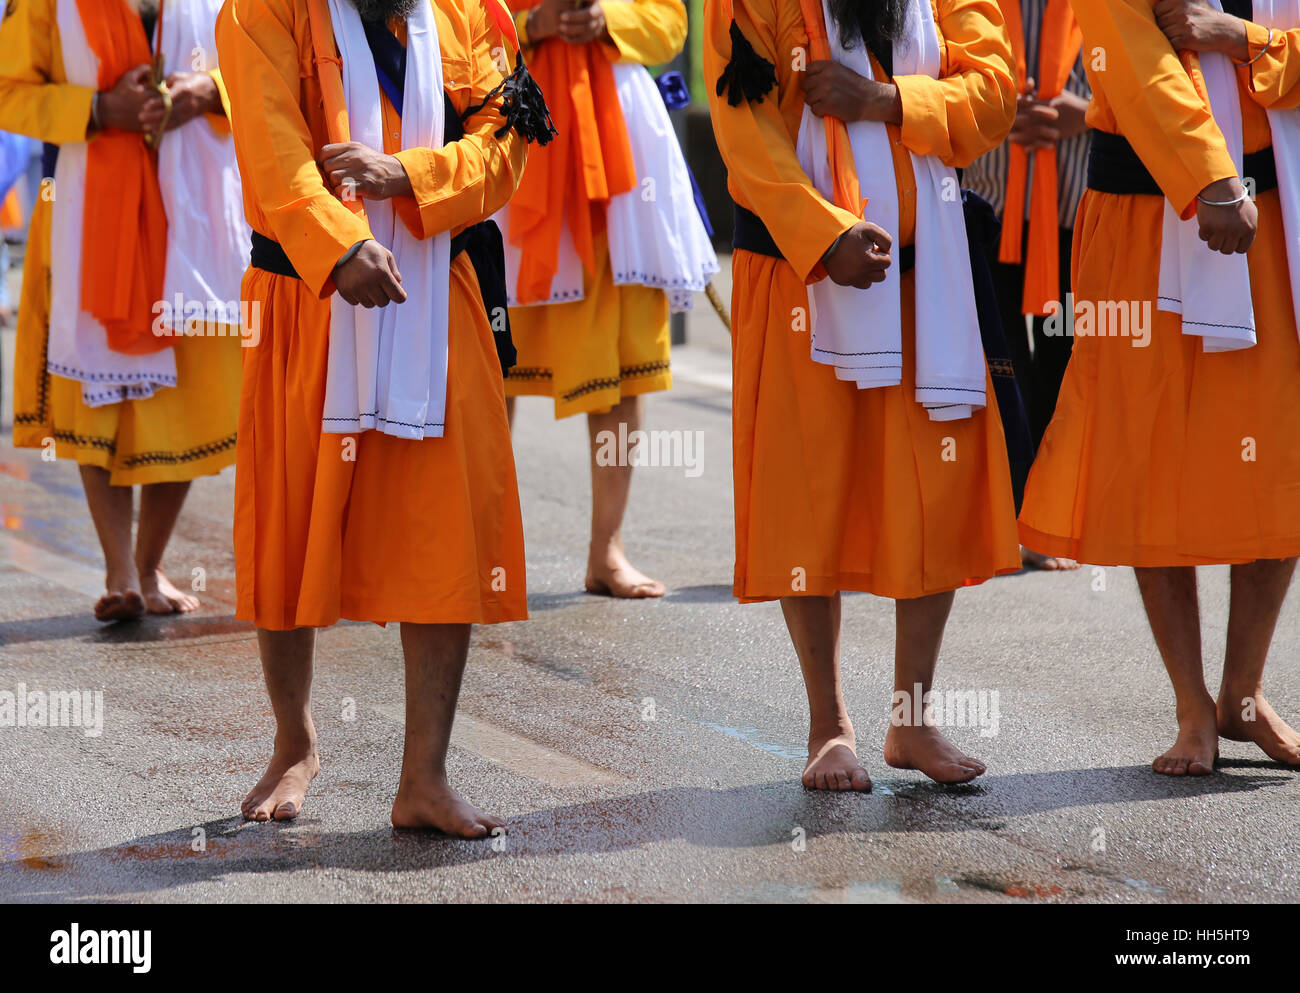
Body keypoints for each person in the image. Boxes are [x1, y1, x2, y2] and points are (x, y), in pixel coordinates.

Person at [217, 0, 546, 834]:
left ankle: (424, 778)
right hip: (307, 297)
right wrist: (337, 245)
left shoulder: (475, 12)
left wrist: (408, 177)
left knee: (446, 531)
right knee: (293, 524)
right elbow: (272, 150)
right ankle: (294, 742)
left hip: (441, 291)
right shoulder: (260, 12)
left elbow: (507, 143)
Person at [705, 0, 1019, 788]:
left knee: (938, 490)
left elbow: (994, 92)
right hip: (799, 273)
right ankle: (828, 724)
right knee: (810, 495)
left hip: (930, 276)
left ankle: (911, 722)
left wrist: (886, 102)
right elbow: (746, 133)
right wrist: (824, 235)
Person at [1021, 0, 1300, 774]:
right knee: (1148, 454)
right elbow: (1138, 67)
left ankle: (1241, 695)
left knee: (1280, 448)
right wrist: (1211, 182)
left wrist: (1245, 37)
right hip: (1151, 217)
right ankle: (1191, 706)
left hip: (1277, 215)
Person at [0, 0, 249, 622]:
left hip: (194, 225)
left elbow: (274, 77)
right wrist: (93, 108)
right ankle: (119, 570)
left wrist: (211, 91)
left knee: (186, 400)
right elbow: (7, 90)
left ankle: (149, 564)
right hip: (86, 220)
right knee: (94, 392)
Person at [500, 0, 717, 599]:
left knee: (621, 365)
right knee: (495, 360)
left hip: (621, 153)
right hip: (517, 129)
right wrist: (531, 26)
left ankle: (606, 551)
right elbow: (458, 24)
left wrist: (607, 21)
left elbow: (670, 23)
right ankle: (484, 551)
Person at [963, 0, 1089, 570]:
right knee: (999, 367)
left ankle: (1046, 518)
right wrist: (992, 111)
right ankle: (1002, 513)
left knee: (1063, 371)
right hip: (990, 213)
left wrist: (1084, 113)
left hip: (1076, 217)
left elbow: (1155, 86)